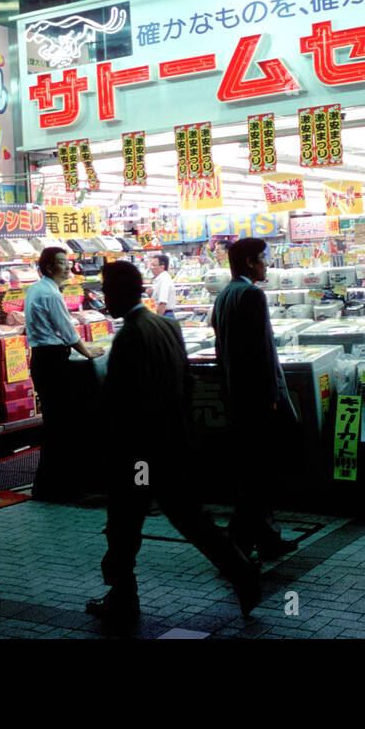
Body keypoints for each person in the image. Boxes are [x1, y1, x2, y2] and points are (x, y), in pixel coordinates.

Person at [86, 262, 261, 626]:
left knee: (123, 523)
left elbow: (120, 403)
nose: (104, 298)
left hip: (140, 455)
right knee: (189, 518)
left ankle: (123, 597)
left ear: (120, 292)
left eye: (106, 291)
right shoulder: (167, 325)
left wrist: (112, 451)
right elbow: (186, 381)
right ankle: (241, 572)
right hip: (174, 443)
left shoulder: (129, 335)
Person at [209, 237, 298, 562]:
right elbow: (262, 351)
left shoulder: (224, 295)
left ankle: (266, 538)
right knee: (260, 474)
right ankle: (236, 543)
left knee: (253, 471)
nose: (266, 265)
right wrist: (272, 395)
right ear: (249, 261)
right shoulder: (252, 294)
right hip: (257, 398)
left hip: (237, 394)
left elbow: (221, 344)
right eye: (263, 259)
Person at [26, 246, 104, 500]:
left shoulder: (37, 289)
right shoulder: (50, 294)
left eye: (68, 261)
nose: (68, 266)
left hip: (42, 359)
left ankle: (49, 486)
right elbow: (67, 331)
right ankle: (58, 488)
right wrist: (87, 351)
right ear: (49, 268)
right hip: (53, 360)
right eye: (62, 262)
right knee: (61, 425)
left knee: (55, 423)